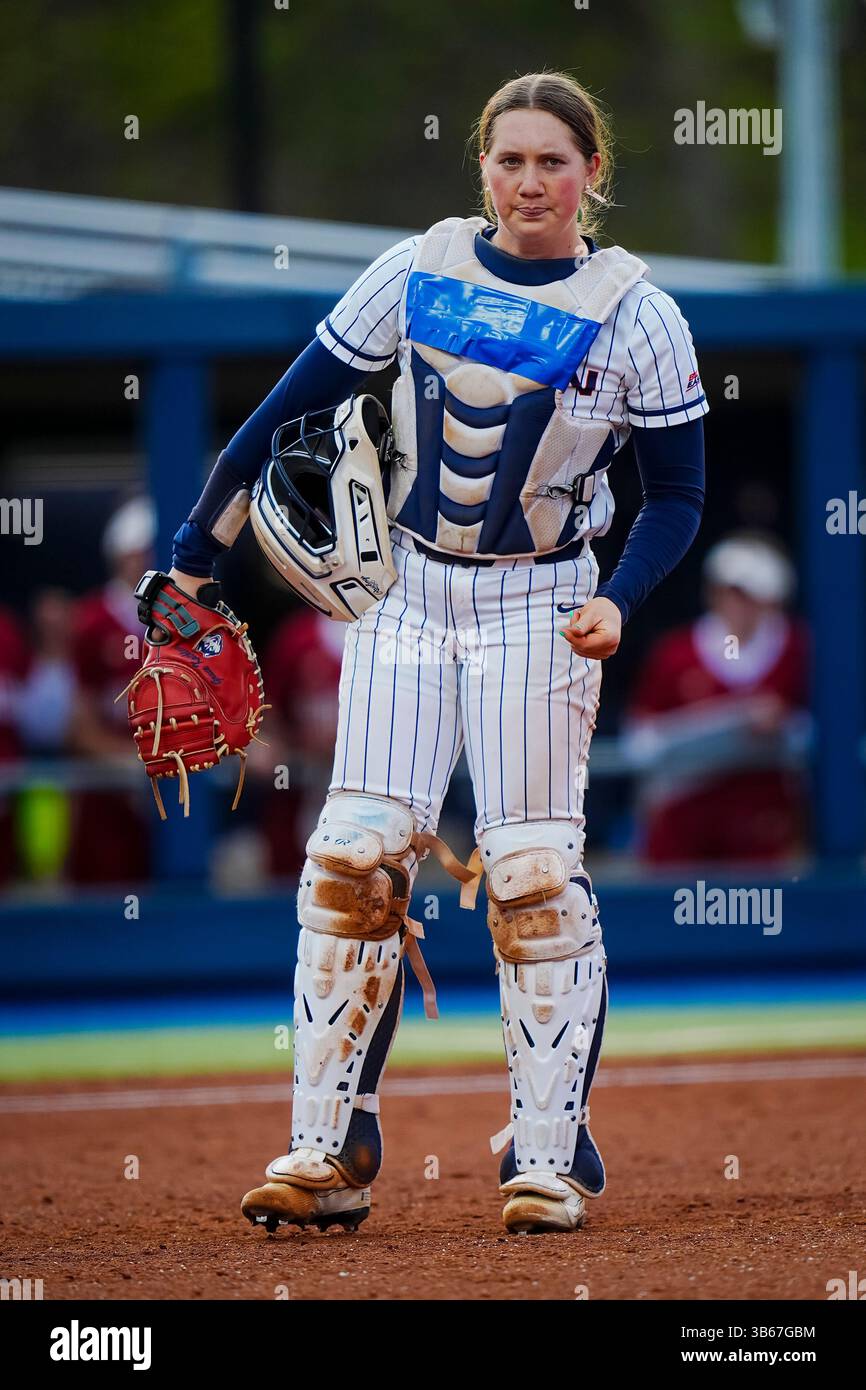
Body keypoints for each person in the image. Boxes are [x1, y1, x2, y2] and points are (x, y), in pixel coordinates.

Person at [150, 72, 707, 1235]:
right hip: (405, 597)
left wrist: (621, 595)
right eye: (508, 160)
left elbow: (675, 496)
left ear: (591, 173)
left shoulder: (637, 310)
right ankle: (327, 1147)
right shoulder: (415, 270)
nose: (528, 181)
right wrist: (192, 555)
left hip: (542, 600)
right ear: (482, 170)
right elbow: (277, 418)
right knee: (349, 860)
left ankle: (550, 1157)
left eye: (552, 160)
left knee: (531, 874)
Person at [624, 533, 809, 864]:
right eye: (729, 593)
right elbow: (639, 743)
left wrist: (782, 726)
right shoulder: (675, 654)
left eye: (749, 596)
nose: (737, 605)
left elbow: (818, 733)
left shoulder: (798, 649)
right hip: (683, 823)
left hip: (762, 821)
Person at [68, 496, 155, 884]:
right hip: (107, 802)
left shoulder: (187, 621)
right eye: (141, 551)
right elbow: (78, 726)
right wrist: (131, 763)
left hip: (171, 798)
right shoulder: (92, 623)